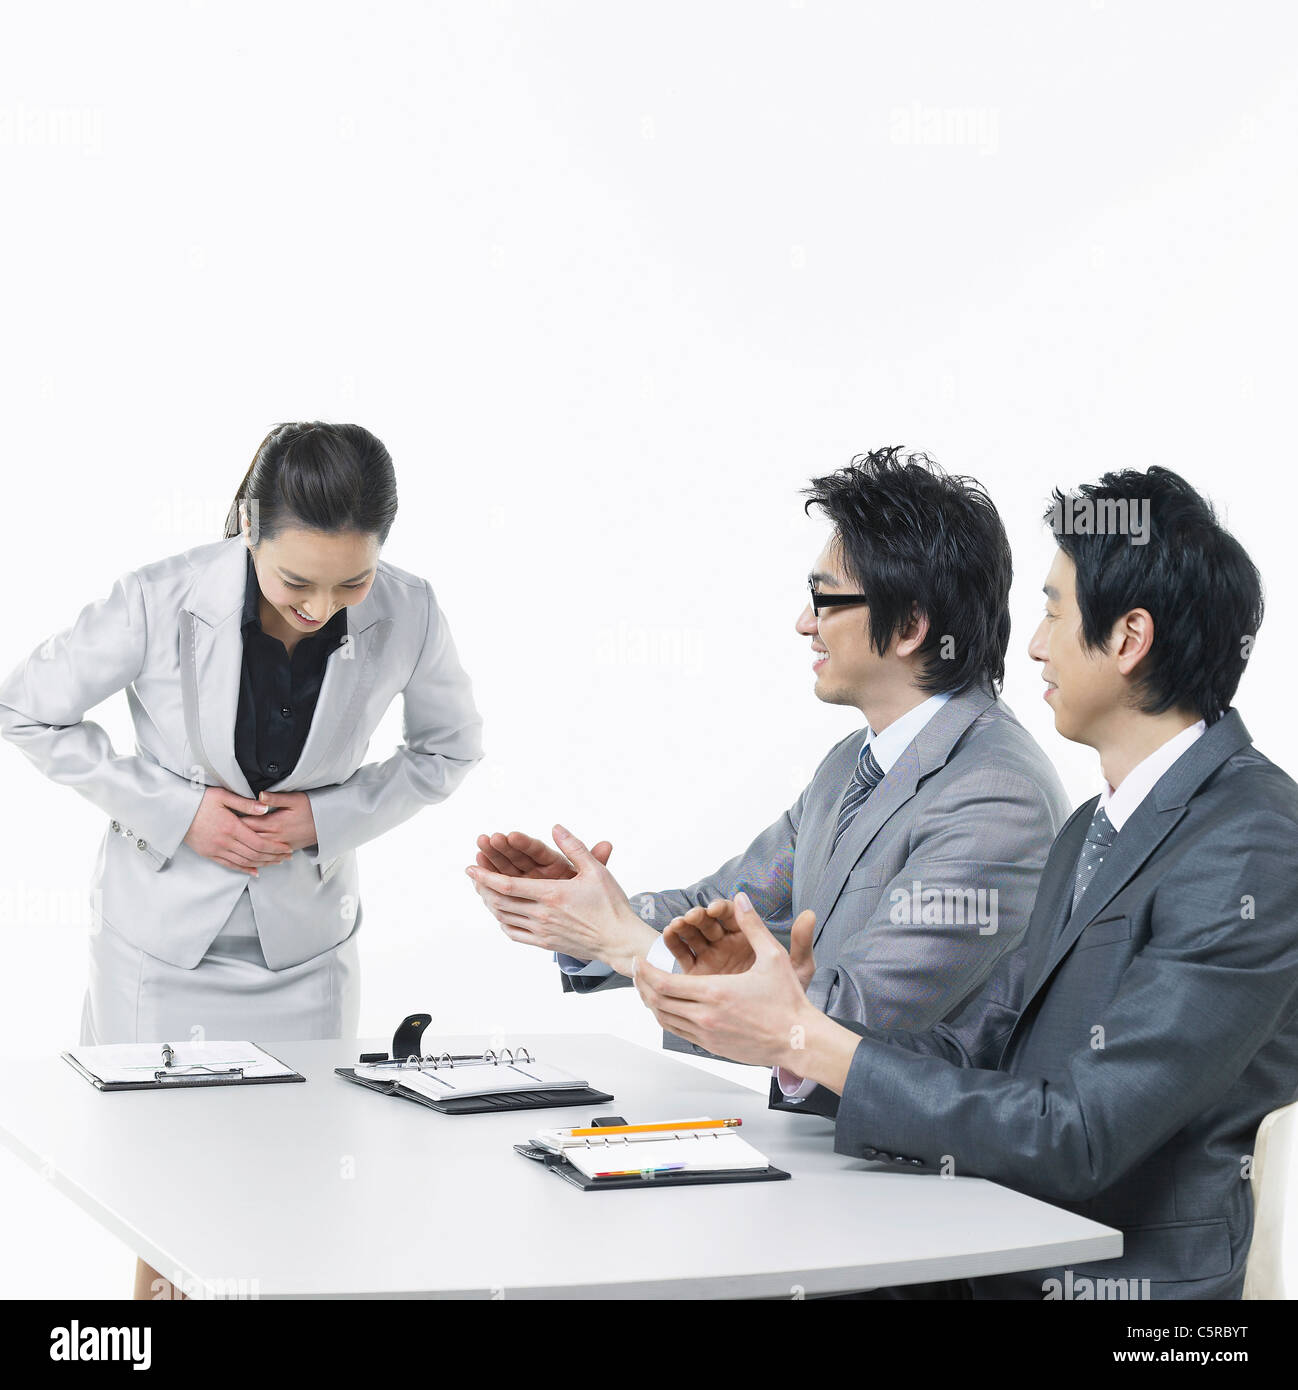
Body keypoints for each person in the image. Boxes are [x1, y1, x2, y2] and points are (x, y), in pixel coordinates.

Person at [634, 465, 1297, 1300]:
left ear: (1128, 639)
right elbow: (978, 1045)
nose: (1034, 645)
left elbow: (1082, 1132)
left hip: (1131, 1288)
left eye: (1055, 610)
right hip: (1002, 1247)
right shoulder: (1094, 829)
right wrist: (793, 1033)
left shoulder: (1252, 844)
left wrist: (810, 1042)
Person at [0, 420, 483, 1298]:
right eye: (296, 579)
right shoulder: (158, 596)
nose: (321, 606)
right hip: (160, 950)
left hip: (304, 952)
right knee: (162, 1199)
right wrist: (178, 813)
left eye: (353, 581)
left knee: (293, 1193)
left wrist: (324, 821)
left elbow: (448, 750)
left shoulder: (410, 609)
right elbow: (27, 710)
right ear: (249, 530)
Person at [467, 448, 1069, 1056]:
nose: (805, 623)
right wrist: (583, 906)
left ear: (912, 627)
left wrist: (619, 940)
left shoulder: (996, 796)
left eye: (826, 600)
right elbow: (730, 907)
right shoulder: (850, 765)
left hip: (917, 1150)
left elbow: (853, 1019)